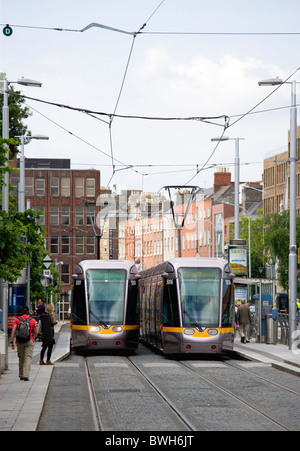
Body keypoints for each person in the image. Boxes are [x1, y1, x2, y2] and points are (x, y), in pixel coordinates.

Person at [10, 306, 38, 381]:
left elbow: (13, 331)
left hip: (19, 341)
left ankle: (21, 374)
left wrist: (11, 341)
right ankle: (26, 375)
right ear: (28, 312)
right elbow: (36, 331)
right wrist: (33, 338)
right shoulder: (32, 320)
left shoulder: (17, 320)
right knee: (28, 358)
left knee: (21, 358)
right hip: (29, 340)